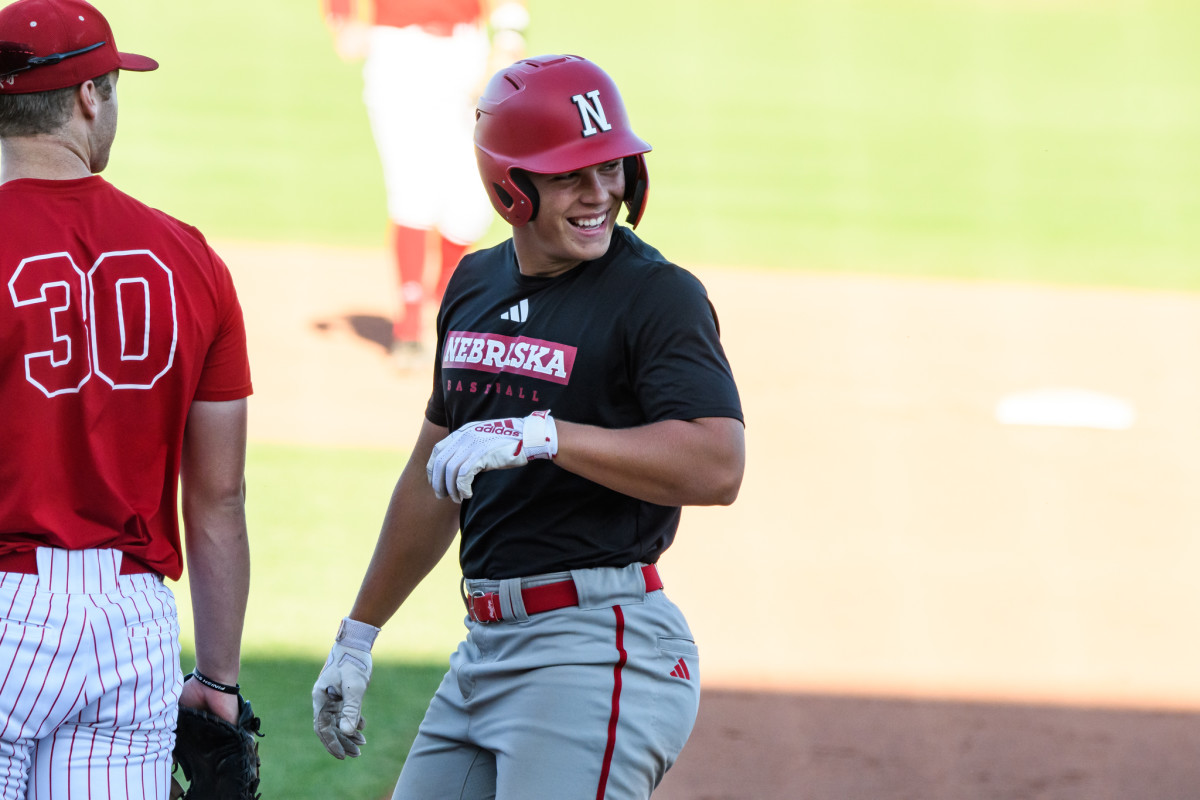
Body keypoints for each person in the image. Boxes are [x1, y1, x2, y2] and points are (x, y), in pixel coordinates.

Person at [313, 54, 746, 798]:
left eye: (611, 166)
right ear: (511, 186)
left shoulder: (656, 296)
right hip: (485, 649)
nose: (599, 192)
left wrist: (547, 435)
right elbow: (432, 476)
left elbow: (717, 464)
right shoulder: (474, 285)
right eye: (570, 174)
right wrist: (359, 633)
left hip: (595, 649)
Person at [0, 0, 254, 796]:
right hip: (131, 623)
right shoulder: (190, 257)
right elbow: (217, 497)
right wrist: (217, 680)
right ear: (86, 99)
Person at [322, 0, 529, 368]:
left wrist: (508, 41)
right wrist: (341, 17)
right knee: (412, 192)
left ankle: (441, 297)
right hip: (397, 53)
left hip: (467, 51)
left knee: (472, 208)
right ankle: (409, 329)